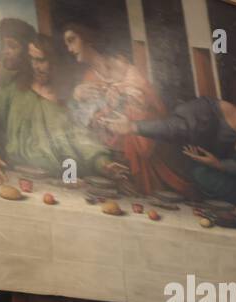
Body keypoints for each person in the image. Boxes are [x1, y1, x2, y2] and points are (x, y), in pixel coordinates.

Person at [0, 34, 129, 185]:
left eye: (41, 60)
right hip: (16, 173)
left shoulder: (67, 100)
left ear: (55, 62)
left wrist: (104, 164)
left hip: (58, 178)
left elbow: (82, 140)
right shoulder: (17, 89)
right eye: (32, 59)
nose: (35, 66)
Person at [61, 21, 189, 197]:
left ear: (87, 36)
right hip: (109, 156)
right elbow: (76, 122)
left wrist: (121, 95)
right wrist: (77, 97)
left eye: (72, 40)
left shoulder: (122, 67)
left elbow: (151, 105)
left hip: (140, 152)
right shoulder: (88, 77)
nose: (69, 48)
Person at [104, 78, 236, 207]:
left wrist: (218, 164)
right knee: (201, 174)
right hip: (187, 177)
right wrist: (133, 126)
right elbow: (172, 128)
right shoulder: (206, 110)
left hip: (225, 185)